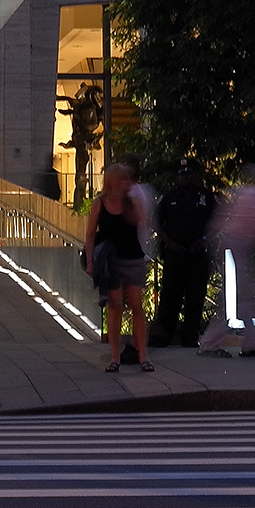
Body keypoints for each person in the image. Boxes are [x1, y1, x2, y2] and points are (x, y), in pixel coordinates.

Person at [201, 166, 255, 358]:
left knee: (244, 297)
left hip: (236, 246)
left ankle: (250, 344)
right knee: (235, 299)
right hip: (236, 246)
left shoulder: (252, 193)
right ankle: (210, 344)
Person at [82, 156, 155, 373]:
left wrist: (129, 203)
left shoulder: (133, 203)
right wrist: (90, 262)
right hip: (111, 262)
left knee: (136, 305)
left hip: (133, 258)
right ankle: (115, 357)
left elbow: (141, 223)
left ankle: (142, 354)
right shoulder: (100, 203)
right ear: (113, 181)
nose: (127, 183)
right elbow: (90, 235)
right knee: (115, 307)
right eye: (123, 179)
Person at [149, 165, 217, 350]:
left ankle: (190, 336)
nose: (185, 178)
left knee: (196, 296)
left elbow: (217, 223)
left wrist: (203, 240)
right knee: (170, 296)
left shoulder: (206, 197)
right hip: (174, 253)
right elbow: (155, 222)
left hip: (197, 254)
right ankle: (163, 335)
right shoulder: (170, 197)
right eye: (182, 175)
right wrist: (169, 242)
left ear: (196, 175)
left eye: (188, 174)